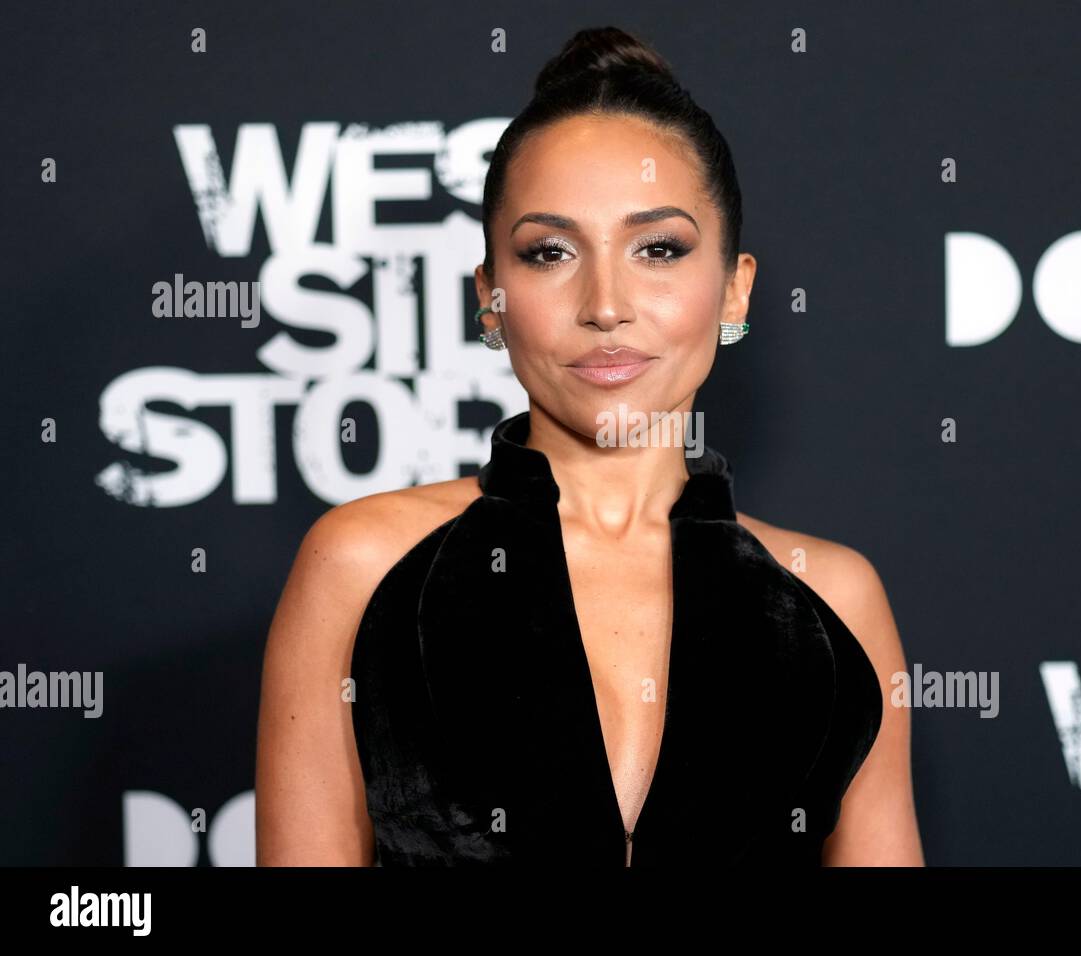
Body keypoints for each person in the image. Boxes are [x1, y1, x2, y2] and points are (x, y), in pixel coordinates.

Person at [255, 25, 923, 866]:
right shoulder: (362, 566)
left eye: (658, 249)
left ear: (734, 288)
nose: (606, 303)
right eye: (550, 252)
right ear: (490, 298)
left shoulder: (833, 600)